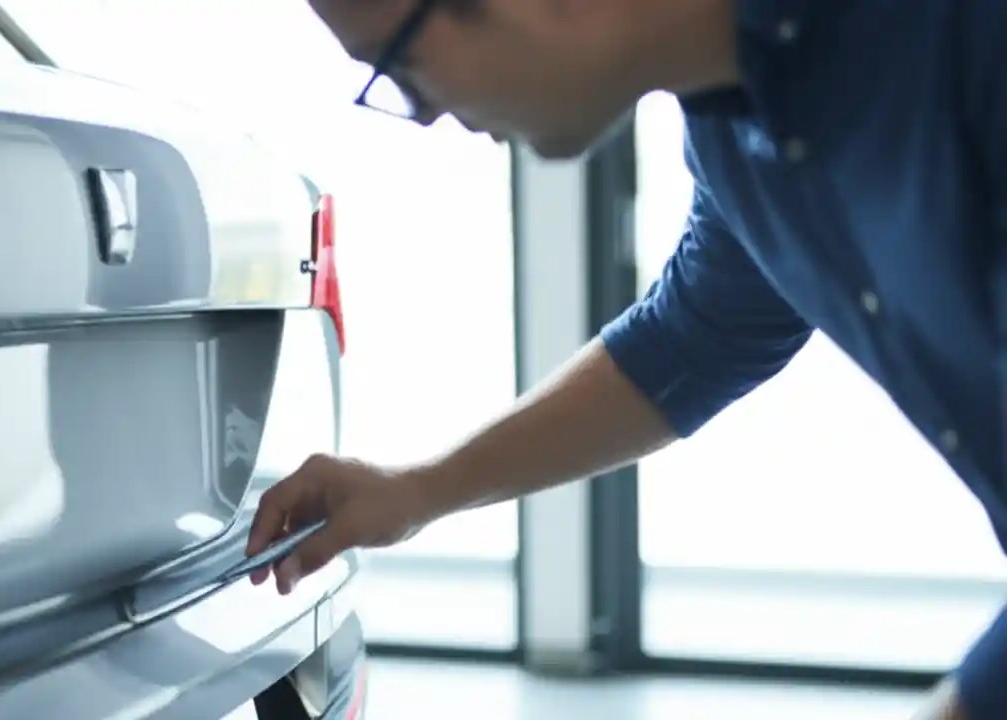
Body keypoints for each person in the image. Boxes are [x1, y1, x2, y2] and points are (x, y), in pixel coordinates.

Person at [244, 1, 1005, 717]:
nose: (428, 109)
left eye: (397, 62)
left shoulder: (961, 40)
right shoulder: (734, 127)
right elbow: (691, 340)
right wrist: (420, 490)